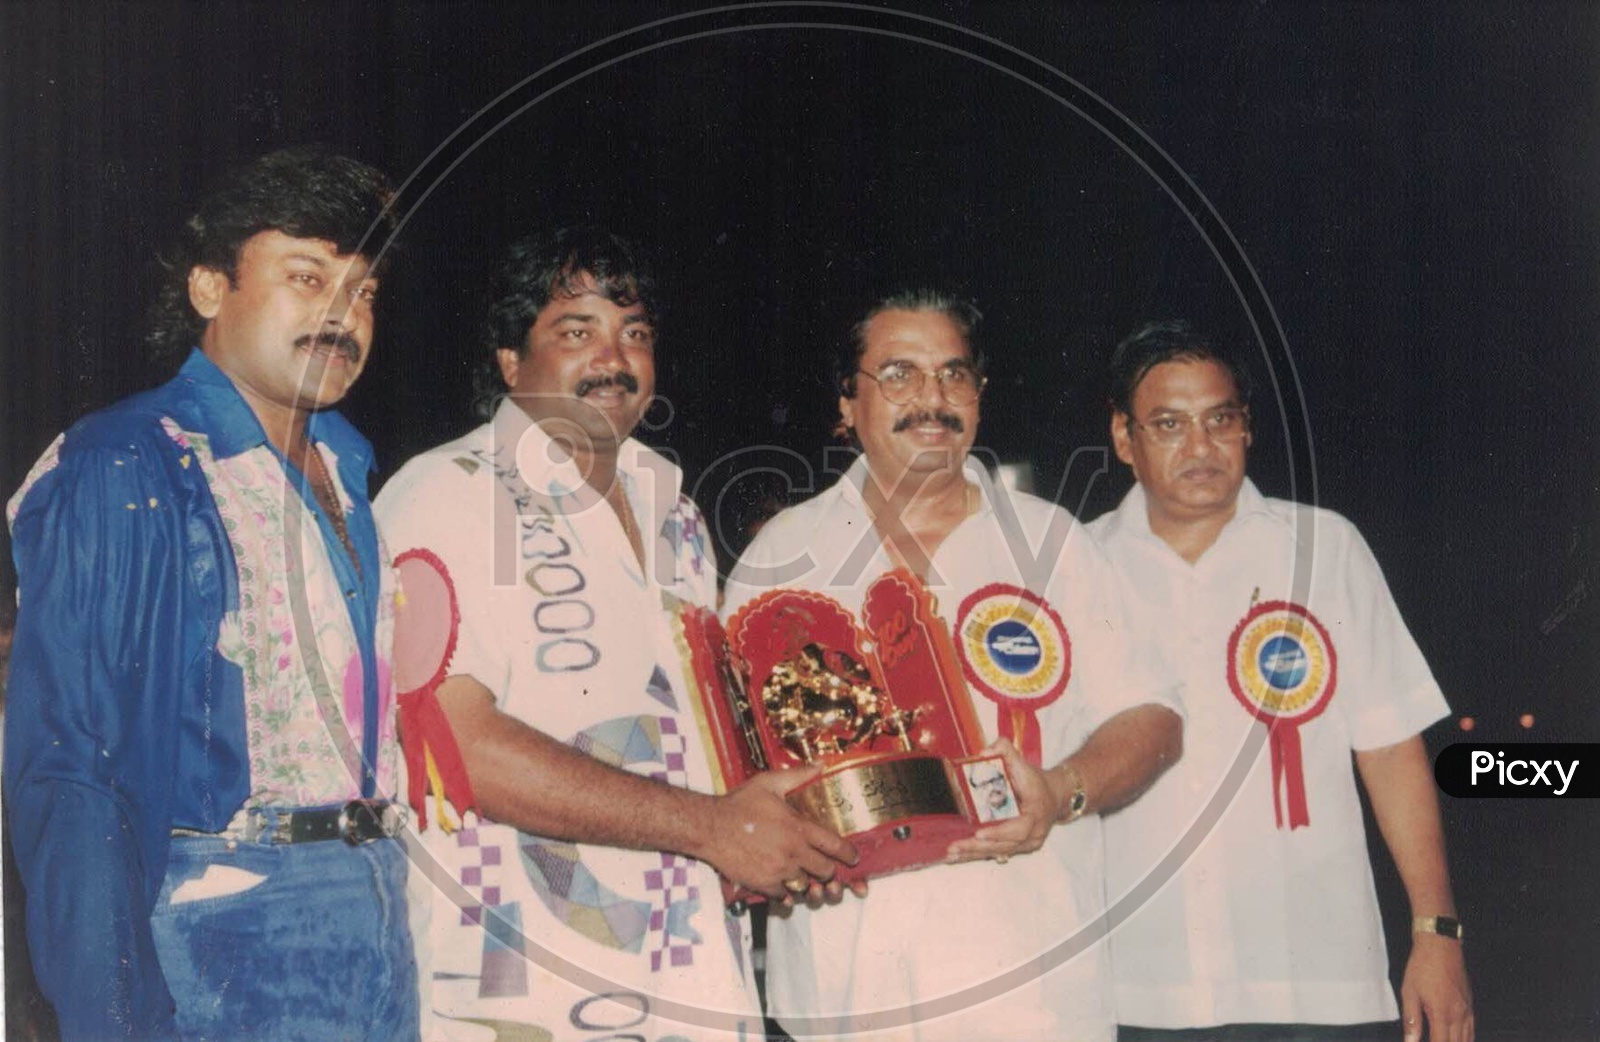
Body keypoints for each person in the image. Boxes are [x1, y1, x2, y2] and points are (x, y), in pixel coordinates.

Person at [373, 228, 857, 1041]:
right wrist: (714, 828)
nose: (613, 358)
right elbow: (452, 743)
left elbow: (704, 742)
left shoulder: (678, 513)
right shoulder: (446, 493)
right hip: (521, 991)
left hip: (692, 977)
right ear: (509, 361)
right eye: (577, 331)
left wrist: (783, 833)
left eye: (635, 332)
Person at [4, 147, 417, 1041]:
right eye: (306, 278)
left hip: (377, 912)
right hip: (223, 927)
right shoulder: (128, 463)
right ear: (207, 289)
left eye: (363, 292)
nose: (342, 316)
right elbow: (75, 775)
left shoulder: (348, 468)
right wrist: (111, 1019)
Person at [721, 289, 1183, 1042]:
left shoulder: (1054, 542)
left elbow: (1154, 719)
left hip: (1034, 990)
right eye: (898, 375)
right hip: (849, 993)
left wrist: (1061, 790)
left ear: (979, 395)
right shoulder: (779, 556)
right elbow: (737, 773)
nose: (931, 399)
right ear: (846, 403)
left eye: (953, 374)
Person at [1091, 320, 1474, 1042]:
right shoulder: (1078, 567)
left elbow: (1390, 750)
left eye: (1220, 419)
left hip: (1316, 979)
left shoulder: (1326, 549)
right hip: (1135, 986)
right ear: (1123, 436)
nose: (1200, 447)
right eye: (1168, 424)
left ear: (1247, 427)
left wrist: (1437, 932)